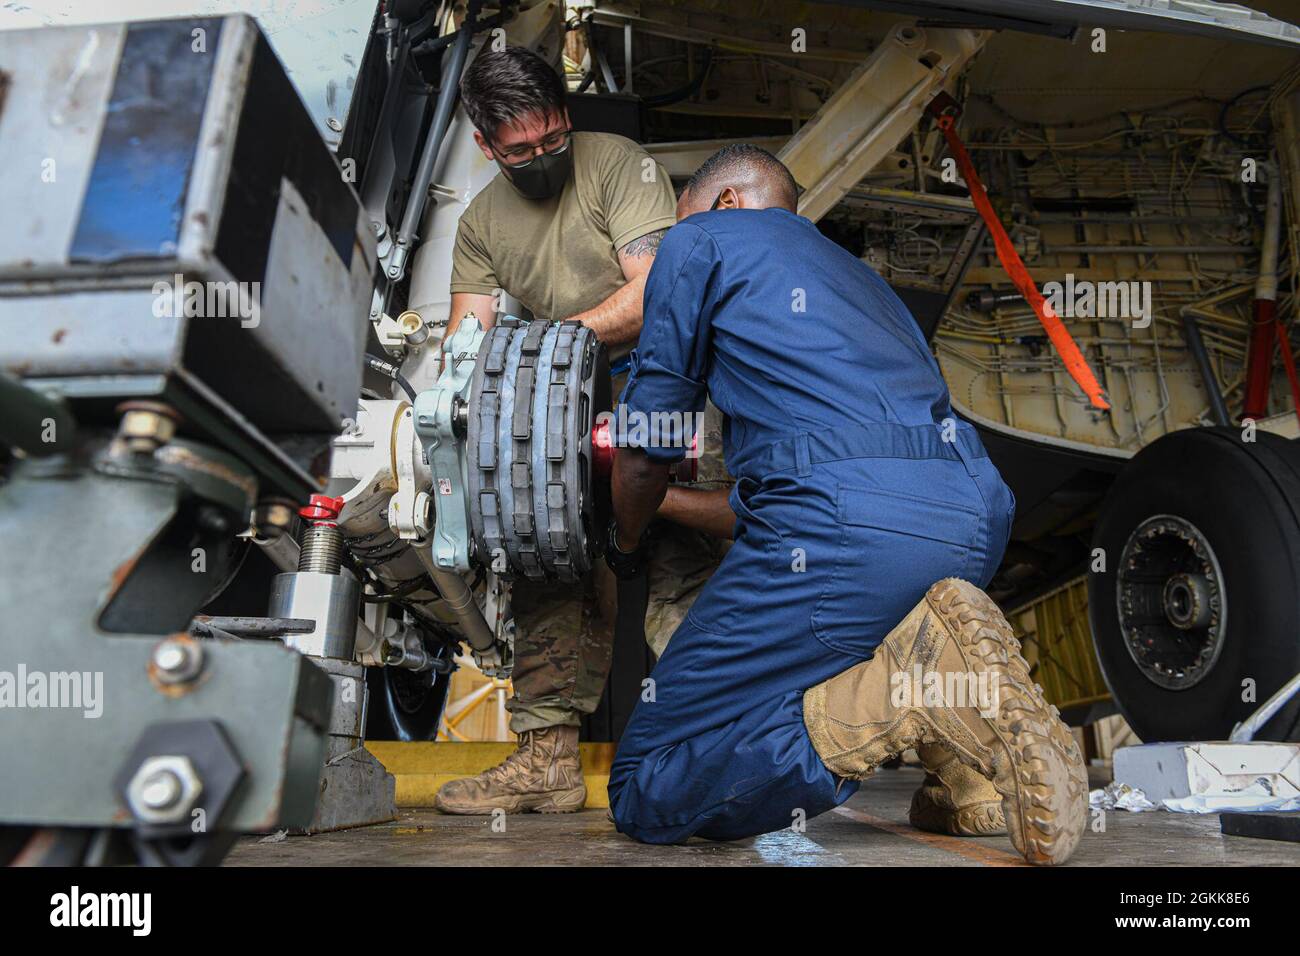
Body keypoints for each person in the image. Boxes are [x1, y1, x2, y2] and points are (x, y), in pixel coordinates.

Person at [603, 144, 1087, 864]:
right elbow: (798, 489)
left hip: (844, 535)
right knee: (862, 623)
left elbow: (648, 446)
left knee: (647, 780)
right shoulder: (867, 286)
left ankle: (899, 701)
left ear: (729, 202)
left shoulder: (703, 239)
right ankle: (970, 777)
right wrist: (683, 503)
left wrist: (628, 530)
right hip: (969, 521)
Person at [433, 45, 677, 814]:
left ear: (565, 119)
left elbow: (654, 292)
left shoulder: (617, 167)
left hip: (654, 381)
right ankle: (546, 762)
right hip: (555, 411)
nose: (540, 157)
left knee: (686, 557)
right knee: (545, 561)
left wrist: (546, 350)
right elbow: (467, 347)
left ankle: (715, 744)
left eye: (550, 141)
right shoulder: (479, 223)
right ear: (485, 146)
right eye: (520, 151)